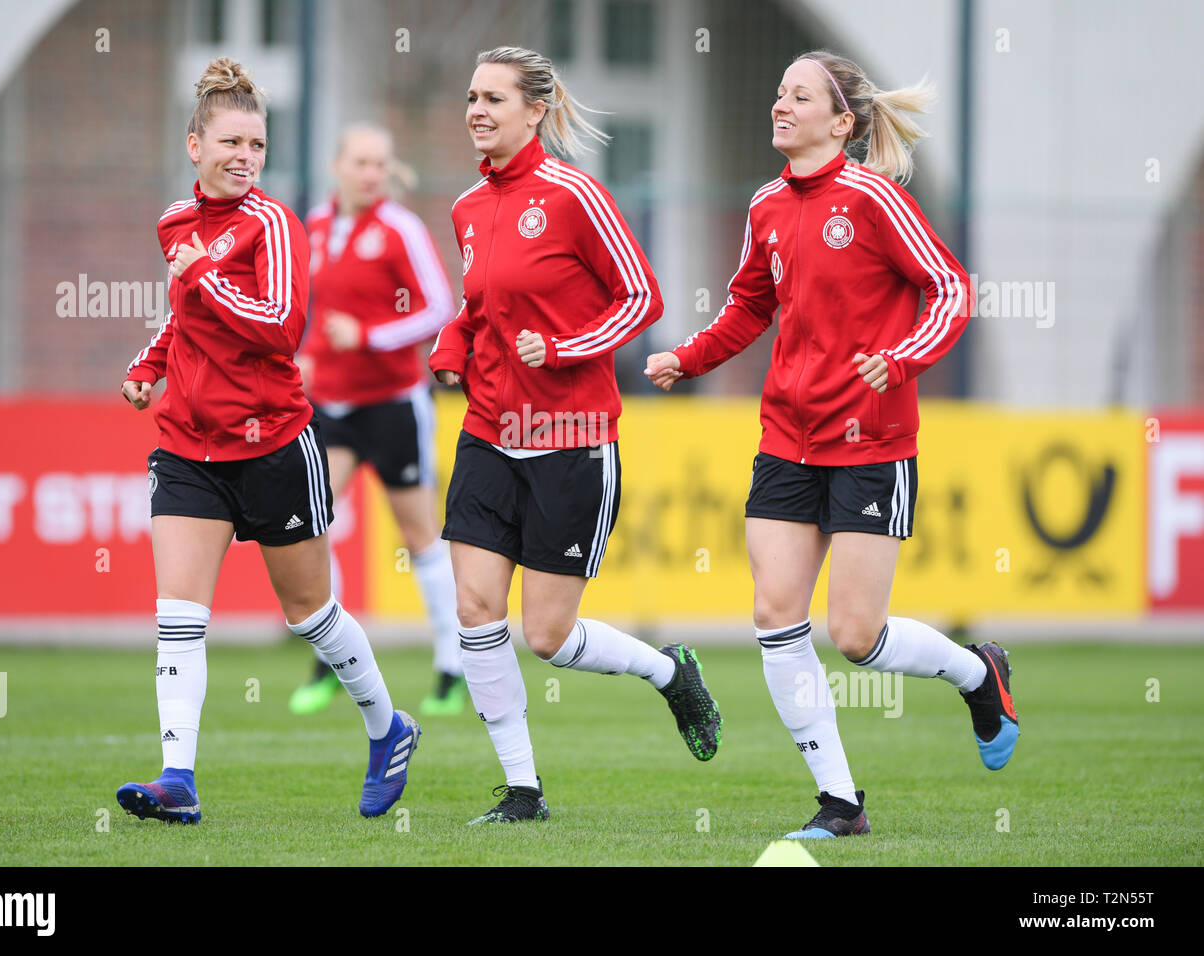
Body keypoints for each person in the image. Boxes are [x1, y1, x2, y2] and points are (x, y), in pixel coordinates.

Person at [646, 50, 1018, 840]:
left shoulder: (875, 199)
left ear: (841, 122)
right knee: (775, 615)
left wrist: (906, 357)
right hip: (786, 437)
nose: (780, 104)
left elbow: (950, 287)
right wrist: (689, 355)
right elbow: (749, 307)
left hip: (871, 443)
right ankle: (840, 804)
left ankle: (977, 672)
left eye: (799, 95)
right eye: (778, 91)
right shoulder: (766, 206)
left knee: (857, 638)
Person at [115, 58, 420, 824]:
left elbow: (281, 328)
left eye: (256, 142)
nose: (245, 155)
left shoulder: (275, 223)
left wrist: (204, 279)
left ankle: (388, 728)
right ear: (194, 146)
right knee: (177, 615)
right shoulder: (174, 226)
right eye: (231, 141)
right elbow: (187, 316)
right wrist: (150, 363)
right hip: (188, 446)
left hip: (274, 445)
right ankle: (176, 780)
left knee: (310, 613)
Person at [429, 45, 723, 825]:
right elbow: (479, 308)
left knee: (548, 636)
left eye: (494, 97)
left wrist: (564, 348)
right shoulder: (466, 208)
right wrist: (452, 347)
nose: (478, 111)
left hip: (572, 438)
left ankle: (670, 673)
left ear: (537, 110)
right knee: (474, 609)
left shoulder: (575, 195)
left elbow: (643, 297)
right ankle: (523, 791)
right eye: (471, 97)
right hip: (491, 433)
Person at [288, 124, 465, 718]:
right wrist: (307, 352)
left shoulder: (400, 229)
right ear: (337, 164)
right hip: (332, 406)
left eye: (380, 164)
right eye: (361, 162)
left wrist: (368, 335)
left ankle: (452, 663)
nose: (371, 173)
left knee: (420, 535)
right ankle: (334, 658)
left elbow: (441, 307)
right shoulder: (311, 225)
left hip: (393, 403)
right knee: (313, 520)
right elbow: (306, 310)